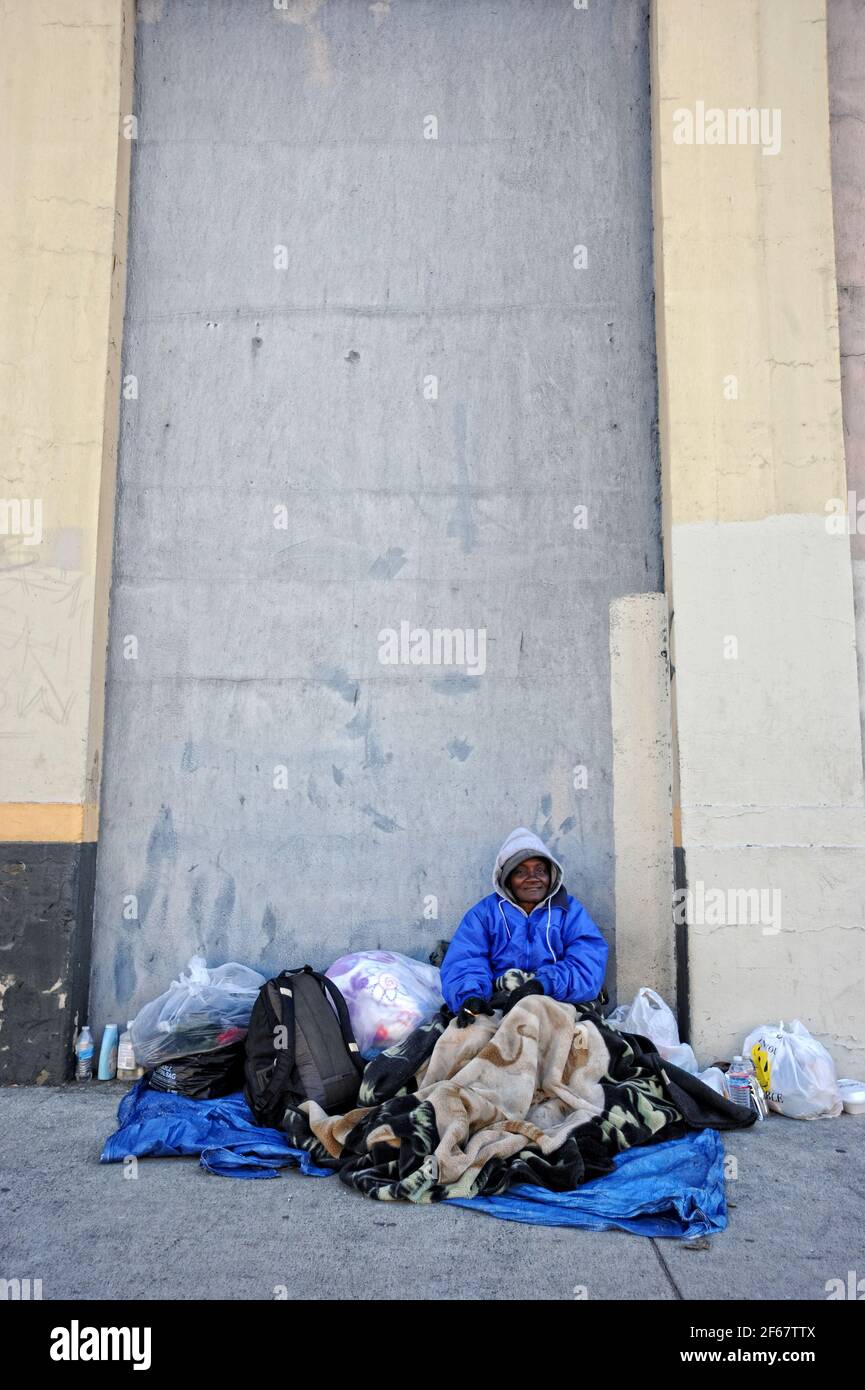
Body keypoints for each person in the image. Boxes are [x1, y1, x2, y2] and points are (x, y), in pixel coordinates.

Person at [440, 827, 608, 1027]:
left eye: (540, 870)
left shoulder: (569, 912)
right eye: (520, 872)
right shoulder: (484, 914)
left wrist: (541, 985)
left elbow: (587, 964)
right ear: (507, 879)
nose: (533, 878)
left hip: (557, 998)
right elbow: (466, 960)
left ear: (551, 875)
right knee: (466, 1035)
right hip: (500, 1001)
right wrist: (470, 995)